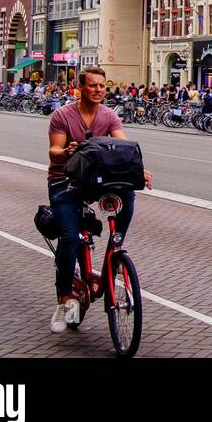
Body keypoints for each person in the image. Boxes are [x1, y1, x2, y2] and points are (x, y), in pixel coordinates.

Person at [46, 67, 153, 333]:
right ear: (80, 87)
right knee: (70, 236)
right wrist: (66, 152)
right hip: (65, 180)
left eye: (102, 86)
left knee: (127, 195)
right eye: (92, 85)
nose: (98, 90)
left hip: (97, 181)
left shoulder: (109, 116)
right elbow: (53, 151)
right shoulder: (62, 116)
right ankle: (64, 297)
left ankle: (115, 248)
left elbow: (124, 147)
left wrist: (139, 170)